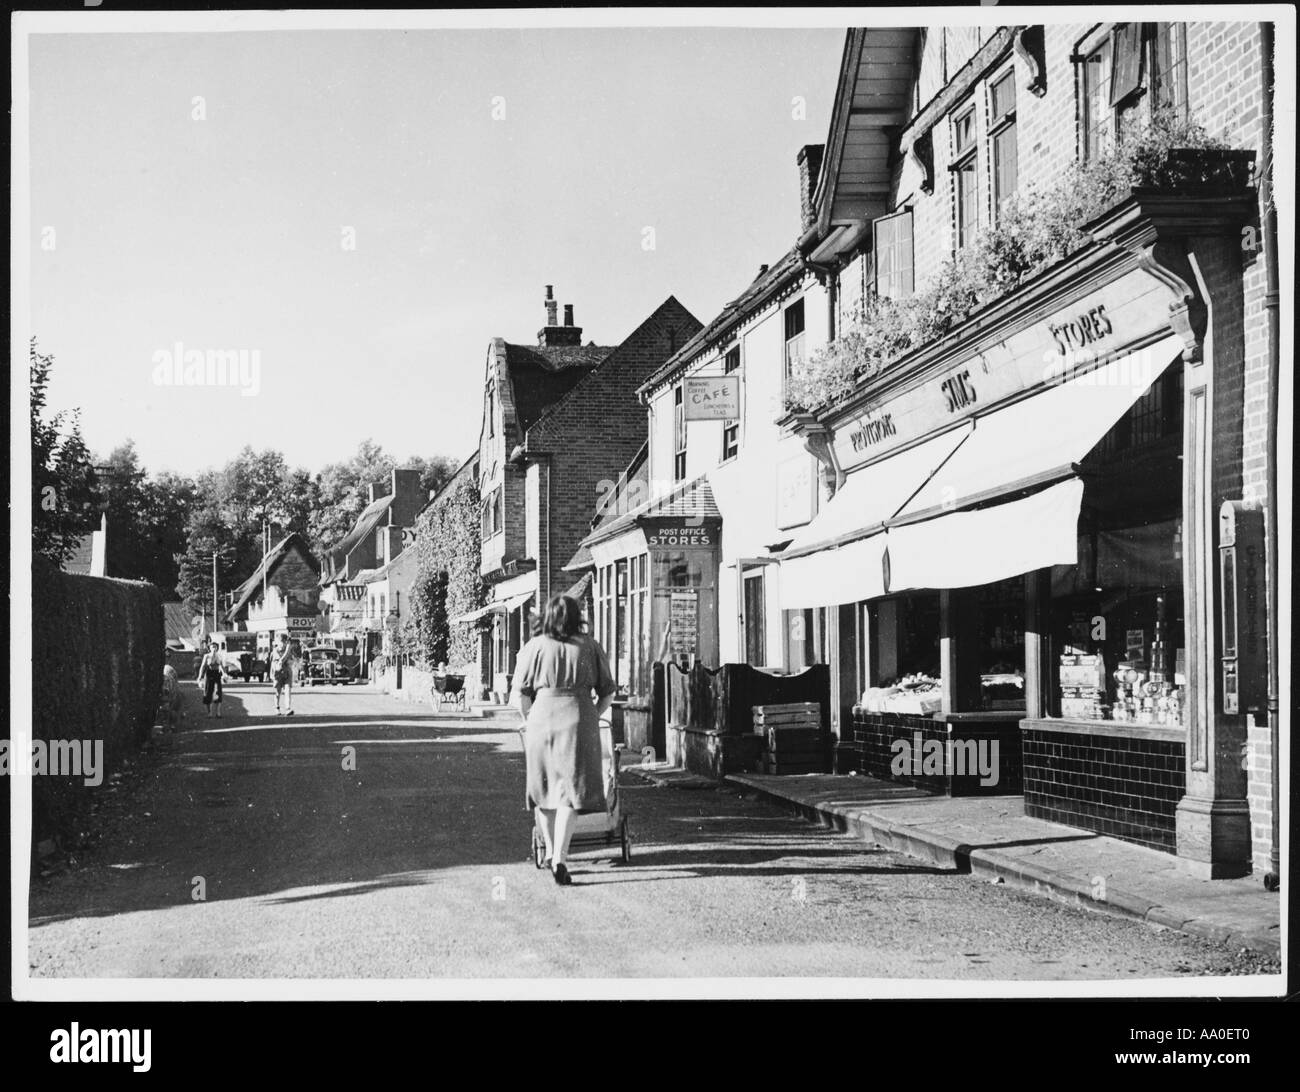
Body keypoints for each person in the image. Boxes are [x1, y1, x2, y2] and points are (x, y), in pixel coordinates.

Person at [511, 594, 617, 886]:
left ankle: (547, 851)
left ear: (546, 616)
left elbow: (520, 693)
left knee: (544, 791)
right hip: (579, 718)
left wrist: (528, 716)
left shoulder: (533, 647)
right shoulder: (590, 646)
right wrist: (592, 715)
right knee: (571, 792)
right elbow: (607, 691)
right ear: (576, 616)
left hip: (541, 719)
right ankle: (559, 857)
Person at [270, 633, 296, 716]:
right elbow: (274, 662)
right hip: (278, 673)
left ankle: (288, 708)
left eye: (284, 641)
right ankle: (277, 708)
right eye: (281, 641)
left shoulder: (288, 650)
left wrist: (290, 662)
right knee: (278, 691)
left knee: (288, 690)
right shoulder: (275, 651)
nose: (282, 643)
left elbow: (292, 660)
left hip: (287, 672)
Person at [197, 640, 224, 718]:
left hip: (217, 674)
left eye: (215, 646)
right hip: (209, 674)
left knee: (218, 692)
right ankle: (209, 712)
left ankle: (218, 712)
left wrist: (224, 674)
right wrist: (199, 676)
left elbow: (221, 666)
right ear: (209, 648)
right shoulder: (207, 656)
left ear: (217, 648)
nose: (214, 648)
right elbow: (203, 666)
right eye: (212, 646)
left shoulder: (219, 656)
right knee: (208, 692)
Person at [161, 648, 183, 731]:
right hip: (167, 693)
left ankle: (170, 724)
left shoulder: (170, 670)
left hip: (170, 693)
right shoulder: (168, 670)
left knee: (170, 707)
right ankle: (169, 724)